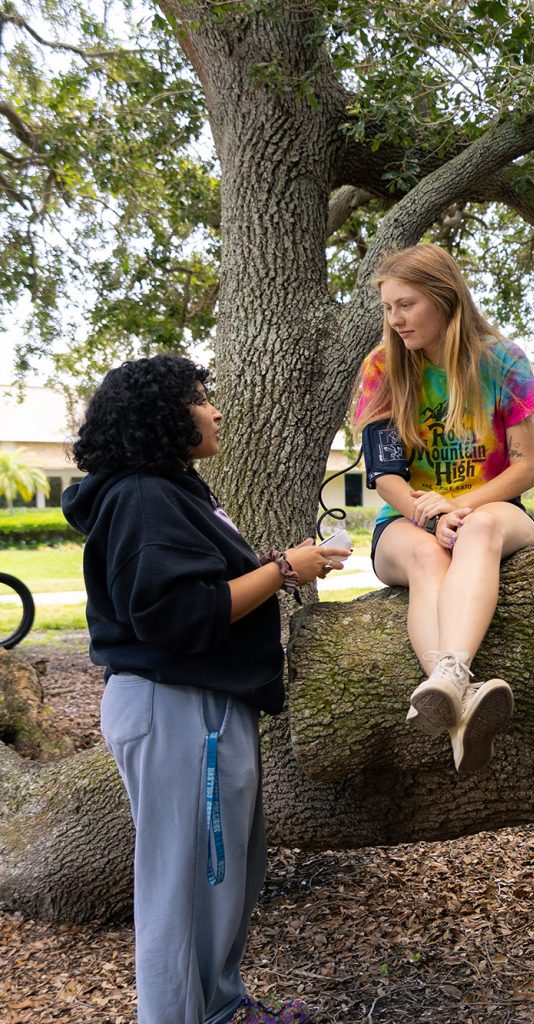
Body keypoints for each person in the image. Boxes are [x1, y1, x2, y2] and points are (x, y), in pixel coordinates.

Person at [63, 355, 345, 1024]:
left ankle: (220, 1009)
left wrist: (285, 566)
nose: (215, 410)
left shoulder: (171, 489)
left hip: (204, 704)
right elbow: (176, 614)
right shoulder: (140, 496)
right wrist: (283, 569)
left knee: (222, 880)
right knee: (182, 889)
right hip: (174, 706)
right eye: (199, 399)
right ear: (164, 416)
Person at [355, 243, 534, 773]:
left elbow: (526, 468)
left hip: (494, 507)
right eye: (388, 308)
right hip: (407, 521)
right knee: (426, 558)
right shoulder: (382, 367)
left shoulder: (503, 361)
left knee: (478, 528)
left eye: (406, 305)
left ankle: (449, 677)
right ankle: (460, 706)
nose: (395, 321)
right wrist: (431, 516)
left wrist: (458, 507)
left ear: (444, 298)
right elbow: (386, 478)